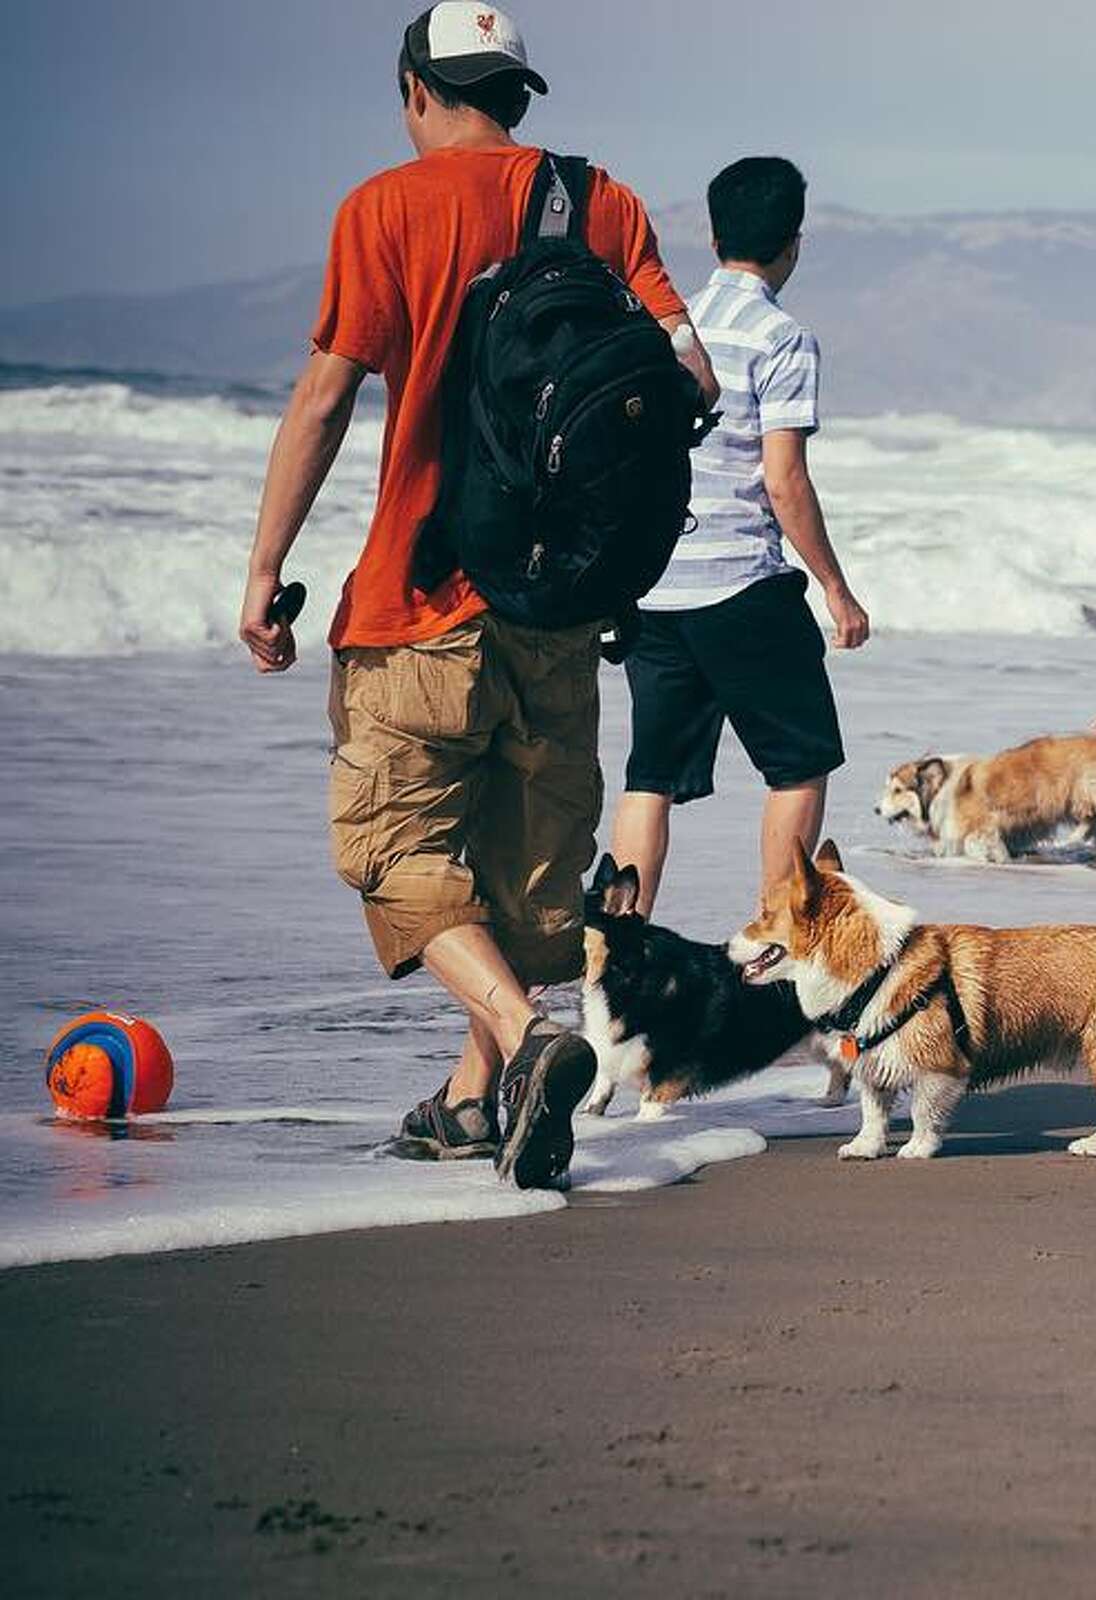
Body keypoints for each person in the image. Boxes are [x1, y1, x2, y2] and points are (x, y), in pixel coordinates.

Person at [237, 4, 716, 1187]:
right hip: (561, 607)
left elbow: (324, 400)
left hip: (420, 599)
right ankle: (470, 1099)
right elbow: (692, 378)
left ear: (414, 88)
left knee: (393, 844)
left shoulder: (385, 208)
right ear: (516, 94)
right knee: (522, 880)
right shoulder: (601, 203)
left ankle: (521, 1037)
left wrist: (264, 568)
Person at [605, 156, 870, 919]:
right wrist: (836, 589)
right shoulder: (782, 338)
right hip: (740, 586)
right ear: (794, 244)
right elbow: (784, 481)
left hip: (653, 587)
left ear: (714, 235)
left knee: (649, 777)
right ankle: (779, 939)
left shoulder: (662, 327)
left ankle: (616, 945)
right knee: (800, 762)